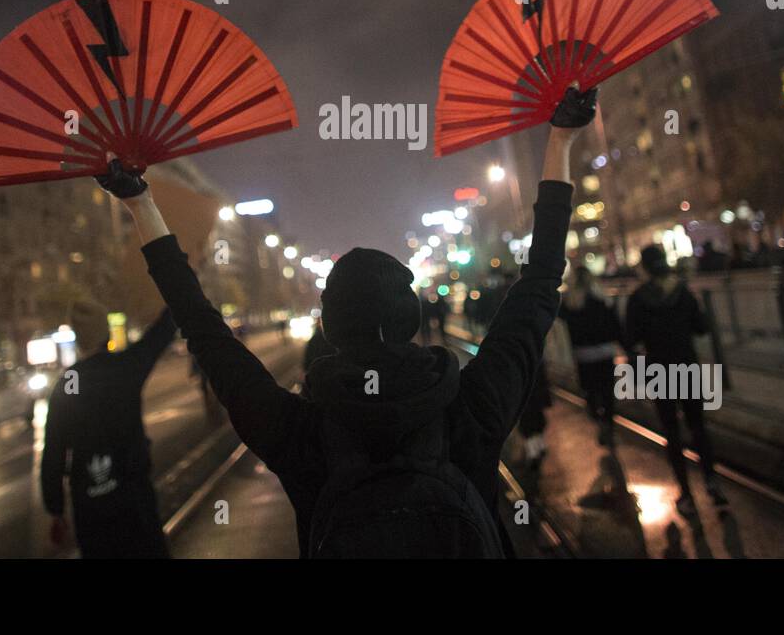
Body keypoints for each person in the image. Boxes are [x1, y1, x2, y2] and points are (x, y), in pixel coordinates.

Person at [92, 85, 594, 558]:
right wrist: (561, 138)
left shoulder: (300, 433)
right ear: (410, 317)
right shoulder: (471, 406)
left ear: (330, 328)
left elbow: (201, 326)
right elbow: (541, 279)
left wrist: (141, 202)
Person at [40, 304, 177, 558]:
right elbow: (161, 333)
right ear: (106, 333)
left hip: (90, 507)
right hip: (134, 500)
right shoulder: (126, 366)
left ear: (79, 340)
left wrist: (56, 511)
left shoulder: (66, 386)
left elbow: (53, 455)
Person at [625, 245, 726, 517]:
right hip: (687, 366)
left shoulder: (638, 298)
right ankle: (712, 482)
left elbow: (630, 339)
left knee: (672, 432)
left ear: (644, 267)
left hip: (660, 371)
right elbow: (702, 327)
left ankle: (686, 494)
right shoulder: (682, 292)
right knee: (698, 427)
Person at [561, 266, 623, 447]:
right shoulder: (602, 299)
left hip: (583, 355)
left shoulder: (571, 302)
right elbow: (615, 324)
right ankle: (608, 425)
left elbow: (560, 316)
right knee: (607, 392)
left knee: (589, 390)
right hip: (605, 352)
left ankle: (597, 417)